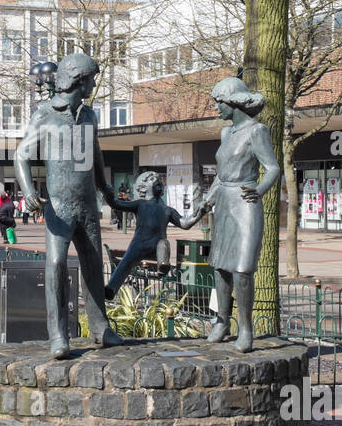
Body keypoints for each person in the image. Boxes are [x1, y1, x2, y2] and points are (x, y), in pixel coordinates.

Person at [16, 51, 124, 359]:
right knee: (56, 265)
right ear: (79, 79)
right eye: (91, 79)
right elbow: (21, 154)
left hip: (88, 205)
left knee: (93, 267)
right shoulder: (45, 113)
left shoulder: (90, 115)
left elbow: (96, 153)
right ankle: (59, 335)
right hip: (59, 207)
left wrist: (105, 188)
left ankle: (101, 328)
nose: (93, 85)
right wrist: (27, 191)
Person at [187, 77, 281, 353]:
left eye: (219, 103)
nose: (216, 108)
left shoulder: (257, 131)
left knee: (242, 269)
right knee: (219, 266)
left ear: (234, 103)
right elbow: (221, 174)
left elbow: (273, 168)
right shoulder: (225, 134)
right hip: (224, 202)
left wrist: (260, 190)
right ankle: (221, 321)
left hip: (246, 202)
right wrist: (207, 200)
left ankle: (246, 329)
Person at [105, 171, 204, 298]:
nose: (157, 180)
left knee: (163, 244)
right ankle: (111, 289)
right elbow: (117, 204)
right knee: (125, 263)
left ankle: (162, 266)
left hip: (158, 246)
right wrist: (107, 193)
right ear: (144, 187)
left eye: (158, 178)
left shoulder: (168, 210)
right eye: (152, 178)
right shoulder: (140, 204)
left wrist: (200, 212)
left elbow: (184, 224)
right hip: (138, 245)